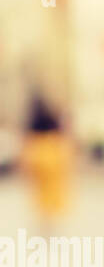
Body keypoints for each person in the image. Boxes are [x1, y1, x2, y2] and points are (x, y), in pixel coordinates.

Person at [19, 92, 74, 237]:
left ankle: (45, 229)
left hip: (39, 154)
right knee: (51, 200)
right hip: (51, 154)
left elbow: (27, 159)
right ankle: (50, 229)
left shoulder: (33, 128)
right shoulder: (54, 127)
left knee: (43, 201)